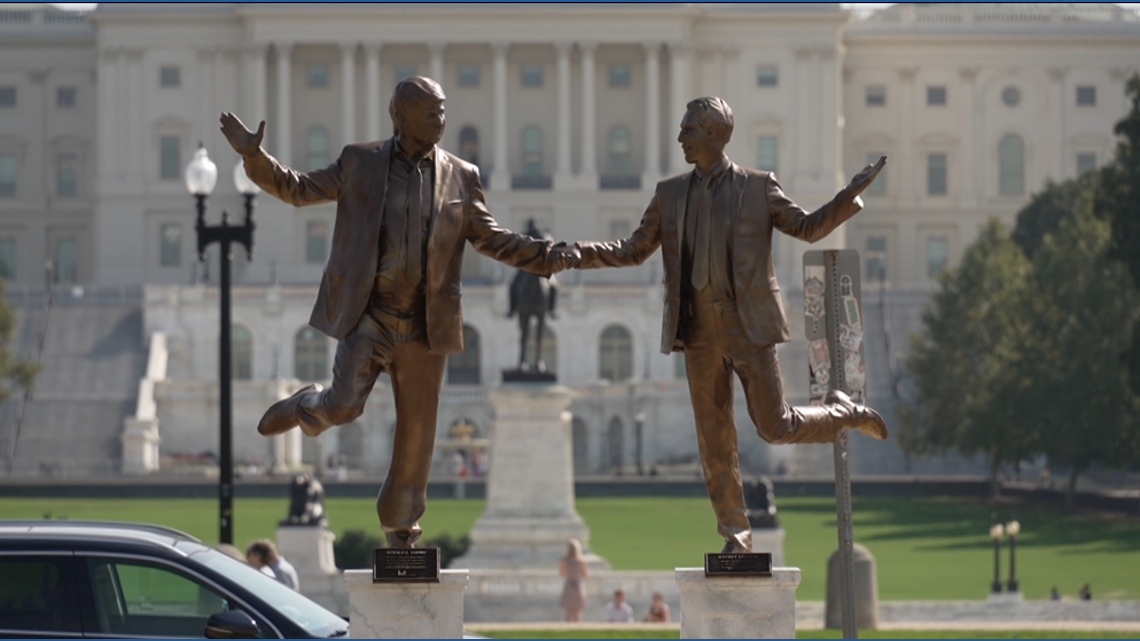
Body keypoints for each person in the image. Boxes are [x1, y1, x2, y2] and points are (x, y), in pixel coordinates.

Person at [219, 77, 577, 549]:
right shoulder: (360, 162)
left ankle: (401, 527)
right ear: (401, 116)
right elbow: (299, 189)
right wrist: (254, 159)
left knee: (417, 432)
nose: (441, 122)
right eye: (431, 113)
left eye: (444, 112)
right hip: (371, 313)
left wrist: (545, 257)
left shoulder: (462, 175)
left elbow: (491, 238)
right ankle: (308, 404)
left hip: (426, 324)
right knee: (345, 405)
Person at [564, 96, 888, 553]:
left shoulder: (757, 188)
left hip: (748, 324)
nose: (680, 139)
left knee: (774, 426)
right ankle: (736, 535)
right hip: (698, 332)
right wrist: (576, 254)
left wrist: (848, 196)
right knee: (715, 441)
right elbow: (633, 249)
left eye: (688, 132)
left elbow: (808, 228)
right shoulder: (670, 194)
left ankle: (841, 411)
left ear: (715, 134)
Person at [558, 538, 589, 622]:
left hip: (568, 585)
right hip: (578, 586)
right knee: (577, 613)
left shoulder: (564, 560)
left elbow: (562, 573)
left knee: (568, 613)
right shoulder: (582, 560)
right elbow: (586, 574)